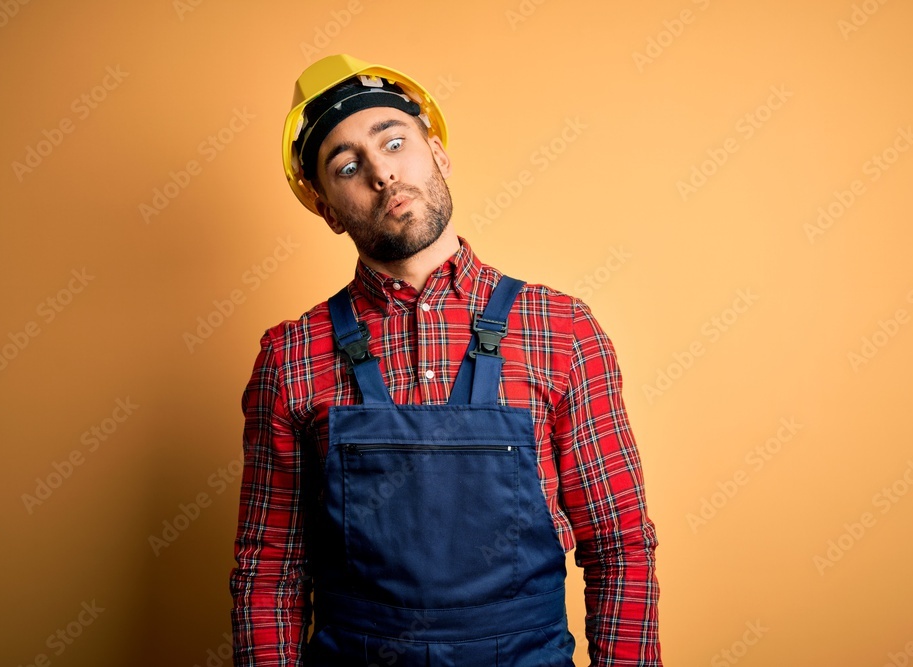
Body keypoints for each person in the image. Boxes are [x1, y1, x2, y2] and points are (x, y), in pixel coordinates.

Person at [229, 53, 662, 667]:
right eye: (348, 166)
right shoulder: (290, 355)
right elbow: (269, 571)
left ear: (438, 153)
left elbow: (619, 546)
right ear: (326, 208)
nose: (382, 173)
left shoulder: (560, 328)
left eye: (395, 142)